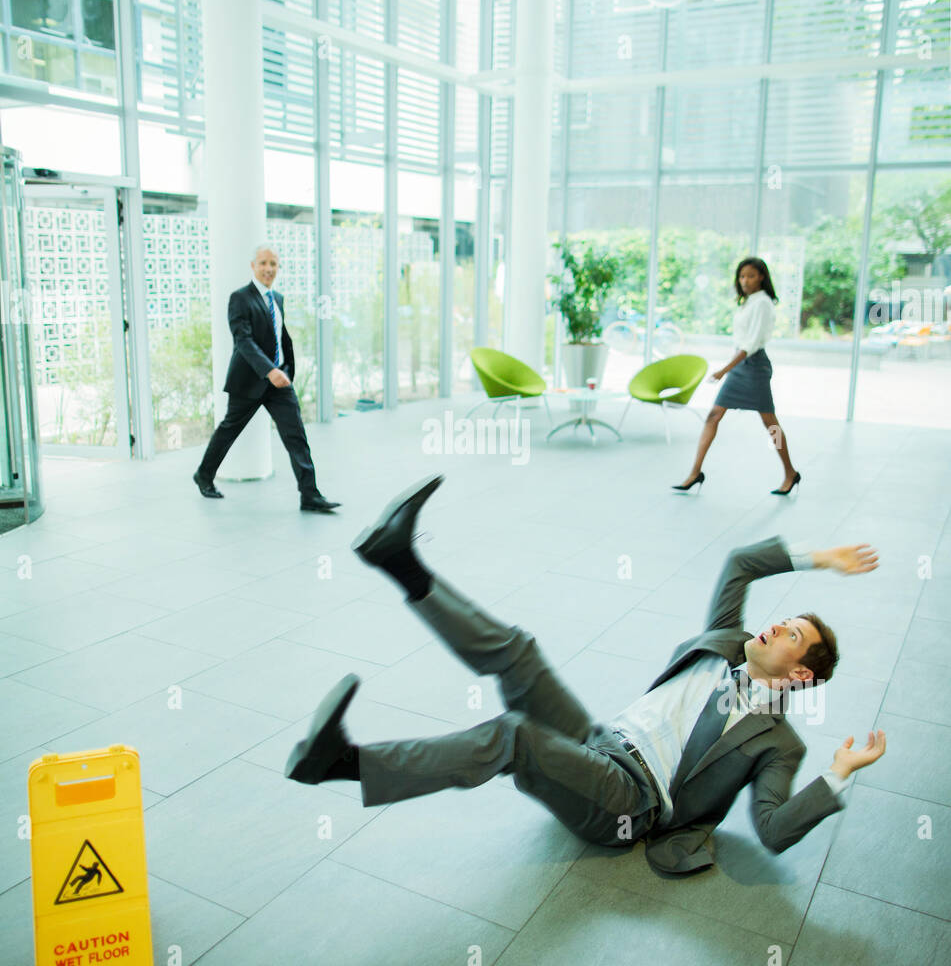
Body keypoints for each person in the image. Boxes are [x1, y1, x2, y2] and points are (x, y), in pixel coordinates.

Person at [284, 476, 886, 876]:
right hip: (597, 740)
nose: (776, 628)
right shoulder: (728, 641)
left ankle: (343, 764)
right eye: (783, 622)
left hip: (630, 801)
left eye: (792, 636)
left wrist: (837, 774)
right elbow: (740, 564)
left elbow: (774, 830)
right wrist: (822, 558)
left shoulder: (780, 744)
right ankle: (402, 561)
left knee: (514, 736)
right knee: (520, 652)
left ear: (801, 673)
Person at [193, 245, 339, 512]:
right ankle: (204, 474)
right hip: (250, 380)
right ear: (253, 266)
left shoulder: (277, 298)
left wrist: (284, 369)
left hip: (279, 381)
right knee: (229, 430)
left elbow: (279, 335)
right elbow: (243, 340)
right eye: (263, 263)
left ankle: (310, 495)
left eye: (273, 264)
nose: (269, 269)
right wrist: (268, 370)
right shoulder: (240, 298)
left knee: (296, 436)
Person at [675, 257, 801, 496]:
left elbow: (751, 344)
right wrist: (731, 367)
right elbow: (742, 342)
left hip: (753, 367)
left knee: (770, 423)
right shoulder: (748, 302)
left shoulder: (762, 303)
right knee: (713, 416)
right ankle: (695, 473)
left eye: (750, 276)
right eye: (742, 276)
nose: (745, 281)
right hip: (741, 365)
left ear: (761, 277)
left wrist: (724, 370)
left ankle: (790, 472)